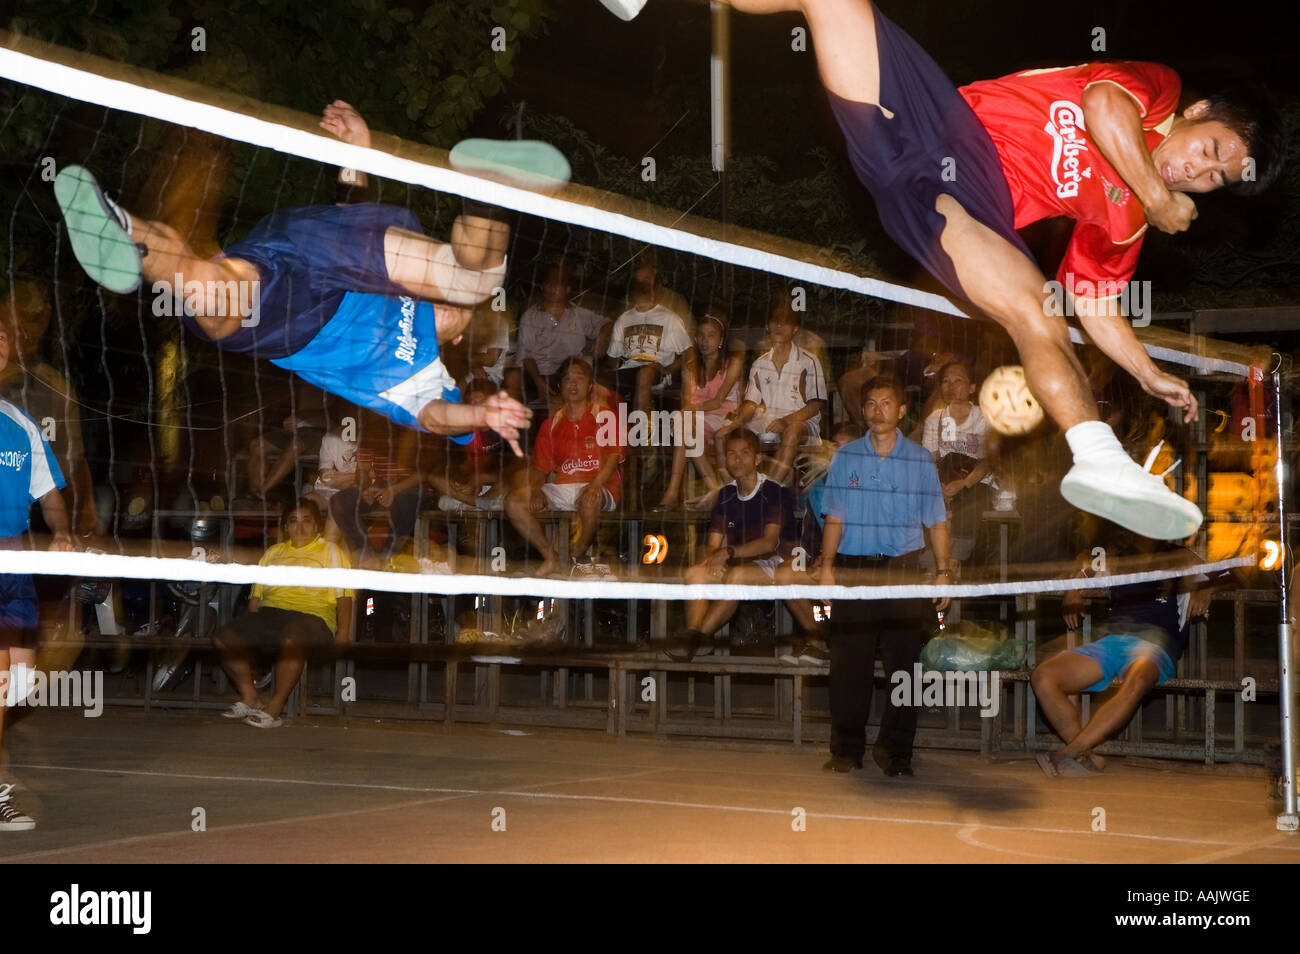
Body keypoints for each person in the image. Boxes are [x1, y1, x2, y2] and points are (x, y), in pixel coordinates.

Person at [601, 0, 1285, 543]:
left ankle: (1098, 459)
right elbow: (1105, 110)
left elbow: (1093, 300)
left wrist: (1145, 370)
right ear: (1197, 114)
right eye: (1212, 150)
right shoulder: (1155, 93)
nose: (1199, 172)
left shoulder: (1128, 219)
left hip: (959, 208)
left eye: (1217, 180)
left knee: (1036, 312)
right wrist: (1159, 193)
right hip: (947, 125)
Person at [54, 100, 542, 453]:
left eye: (462, 320)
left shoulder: (425, 377)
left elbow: (438, 419)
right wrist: (359, 155)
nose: (457, 315)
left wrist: (480, 415)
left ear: (454, 341)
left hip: (297, 321)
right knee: (475, 283)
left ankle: (117, 227)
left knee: (206, 287)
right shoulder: (415, 271)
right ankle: (490, 183)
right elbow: (349, 220)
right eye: (463, 312)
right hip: (328, 253)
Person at [818, 376, 949, 777]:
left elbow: (938, 520)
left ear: (902, 411)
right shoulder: (846, 458)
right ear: (864, 410)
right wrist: (825, 568)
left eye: (887, 402)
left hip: (903, 571)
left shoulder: (920, 460)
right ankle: (846, 749)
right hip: (854, 571)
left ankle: (895, 751)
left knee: (904, 667)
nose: (878, 409)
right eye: (871, 403)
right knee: (848, 665)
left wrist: (944, 572)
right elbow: (834, 517)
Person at [1031, 536, 1232, 776]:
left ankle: (1067, 754)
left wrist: (1207, 589)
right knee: (1044, 676)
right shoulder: (1116, 554)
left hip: (1156, 644)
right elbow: (1083, 573)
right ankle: (1085, 757)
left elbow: (1230, 575)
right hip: (1114, 643)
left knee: (1136, 681)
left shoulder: (1180, 556)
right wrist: (1072, 591)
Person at [0, 315, 76, 831]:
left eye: (5, 338)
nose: (2, 343)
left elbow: (48, 491)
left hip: (16, 563)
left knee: (19, 685)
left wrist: (63, 532)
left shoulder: (19, 421)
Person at [671, 429, 815, 660]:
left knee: (737, 575)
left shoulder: (775, 492)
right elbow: (713, 542)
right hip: (739, 559)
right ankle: (698, 636)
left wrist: (727, 553)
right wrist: (712, 559)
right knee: (695, 573)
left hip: (779, 561)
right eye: (731, 454)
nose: (737, 459)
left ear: (757, 459)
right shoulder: (726, 494)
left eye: (745, 453)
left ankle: (694, 640)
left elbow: (769, 543)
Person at [214, 499, 353, 729]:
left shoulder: (331, 552)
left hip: (313, 617)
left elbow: (345, 597)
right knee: (223, 637)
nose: (300, 527)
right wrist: (250, 629)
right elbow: (255, 597)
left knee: (293, 639)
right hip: (271, 614)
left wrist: (343, 634)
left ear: (316, 526)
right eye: (293, 521)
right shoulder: (273, 552)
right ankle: (251, 698)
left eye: (307, 521)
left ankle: (275, 707)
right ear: (286, 527)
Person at [505, 358, 624, 578]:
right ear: (560, 385)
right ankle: (551, 556)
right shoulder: (551, 424)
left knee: (588, 498)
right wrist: (537, 489)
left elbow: (613, 458)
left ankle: (575, 555)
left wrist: (595, 485)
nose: (573, 383)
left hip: (600, 486)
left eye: (579, 378)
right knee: (514, 501)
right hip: (563, 488)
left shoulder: (605, 415)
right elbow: (540, 468)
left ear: (589, 386)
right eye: (568, 378)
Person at [719, 299, 827, 486]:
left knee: (791, 432)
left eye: (785, 322)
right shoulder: (760, 363)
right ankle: (733, 491)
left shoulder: (808, 361)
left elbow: (815, 405)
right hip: (769, 421)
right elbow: (751, 403)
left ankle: (767, 491)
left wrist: (786, 421)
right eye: (775, 321)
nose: (778, 325)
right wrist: (734, 424)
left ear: (794, 329)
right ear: (767, 326)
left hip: (803, 424)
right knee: (730, 434)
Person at [654, 306, 744, 511]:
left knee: (682, 426)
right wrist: (687, 412)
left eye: (711, 336)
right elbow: (687, 402)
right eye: (701, 336)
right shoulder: (690, 367)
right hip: (698, 423)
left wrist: (687, 412)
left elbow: (718, 401)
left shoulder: (733, 363)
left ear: (721, 340)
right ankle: (704, 488)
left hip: (725, 419)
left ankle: (674, 492)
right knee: (684, 429)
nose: (705, 341)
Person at [920, 360, 994, 564]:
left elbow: (988, 461)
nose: (950, 386)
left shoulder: (985, 418)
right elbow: (930, 458)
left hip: (974, 482)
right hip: (943, 479)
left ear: (972, 387)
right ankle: (928, 555)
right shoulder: (935, 419)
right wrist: (939, 484)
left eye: (958, 380)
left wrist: (962, 483)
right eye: (945, 381)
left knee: (973, 496)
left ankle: (957, 556)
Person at [517, 259, 611, 404]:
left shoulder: (579, 314)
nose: (552, 288)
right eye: (549, 283)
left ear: (567, 289)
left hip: (573, 374)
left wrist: (602, 338)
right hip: (542, 374)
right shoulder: (530, 316)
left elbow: (606, 323)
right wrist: (539, 382)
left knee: (604, 387)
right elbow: (525, 355)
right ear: (543, 287)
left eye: (558, 284)